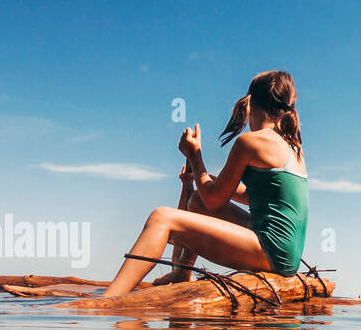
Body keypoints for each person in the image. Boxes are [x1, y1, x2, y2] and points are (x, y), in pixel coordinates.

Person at [102, 70, 308, 297]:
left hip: (271, 251)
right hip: (286, 253)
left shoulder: (251, 142)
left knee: (162, 218)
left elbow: (214, 201)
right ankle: (181, 272)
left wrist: (195, 156)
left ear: (250, 105)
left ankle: (108, 300)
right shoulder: (292, 147)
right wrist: (201, 176)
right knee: (197, 200)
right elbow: (254, 196)